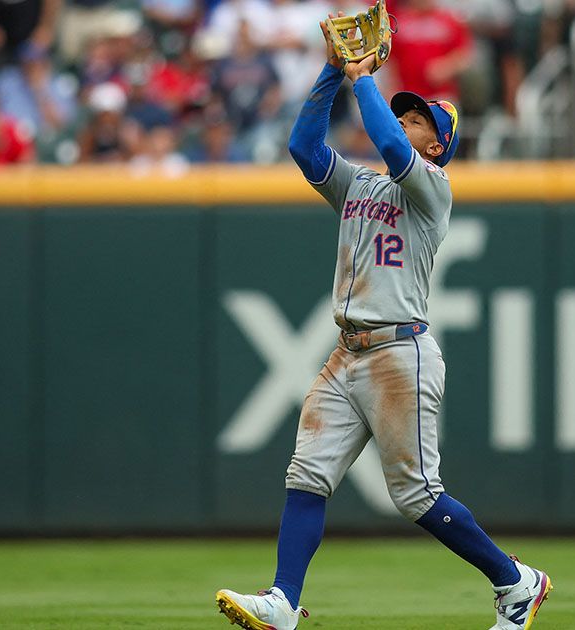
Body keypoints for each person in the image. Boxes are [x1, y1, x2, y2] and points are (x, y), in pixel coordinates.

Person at [213, 14, 552, 630]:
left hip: (401, 351)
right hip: (347, 352)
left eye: (416, 118)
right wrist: (331, 71)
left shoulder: (432, 187)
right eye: (403, 113)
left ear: (436, 144)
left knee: (416, 495)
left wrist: (364, 76)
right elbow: (304, 149)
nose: (403, 121)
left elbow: (393, 149)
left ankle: (516, 582)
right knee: (306, 473)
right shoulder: (360, 184)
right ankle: (284, 601)